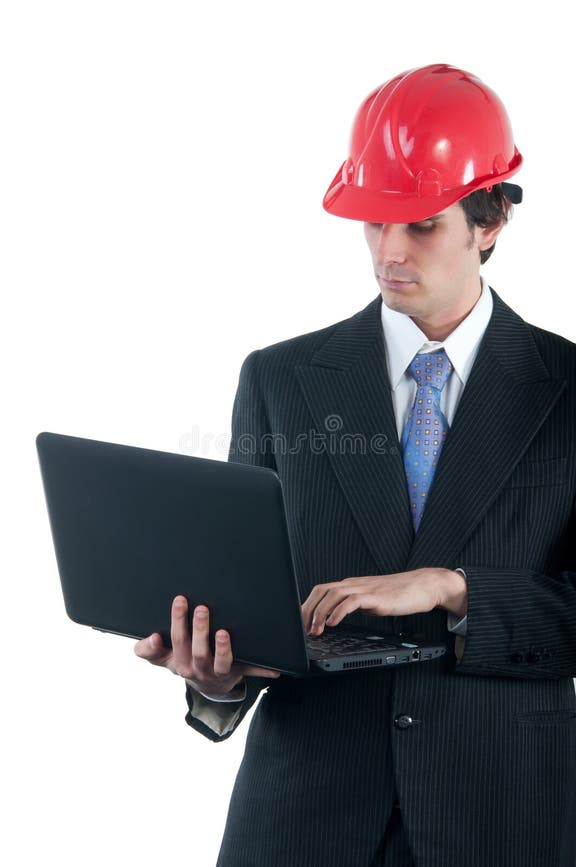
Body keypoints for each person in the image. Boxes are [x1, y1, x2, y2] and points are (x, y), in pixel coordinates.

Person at [135, 63, 576, 866]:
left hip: (502, 815)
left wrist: (454, 588)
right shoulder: (278, 380)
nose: (388, 252)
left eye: (420, 225)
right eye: (374, 222)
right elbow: (254, 601)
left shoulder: (572, 391)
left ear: (492, 220)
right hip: (307, 817)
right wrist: (217, 676)